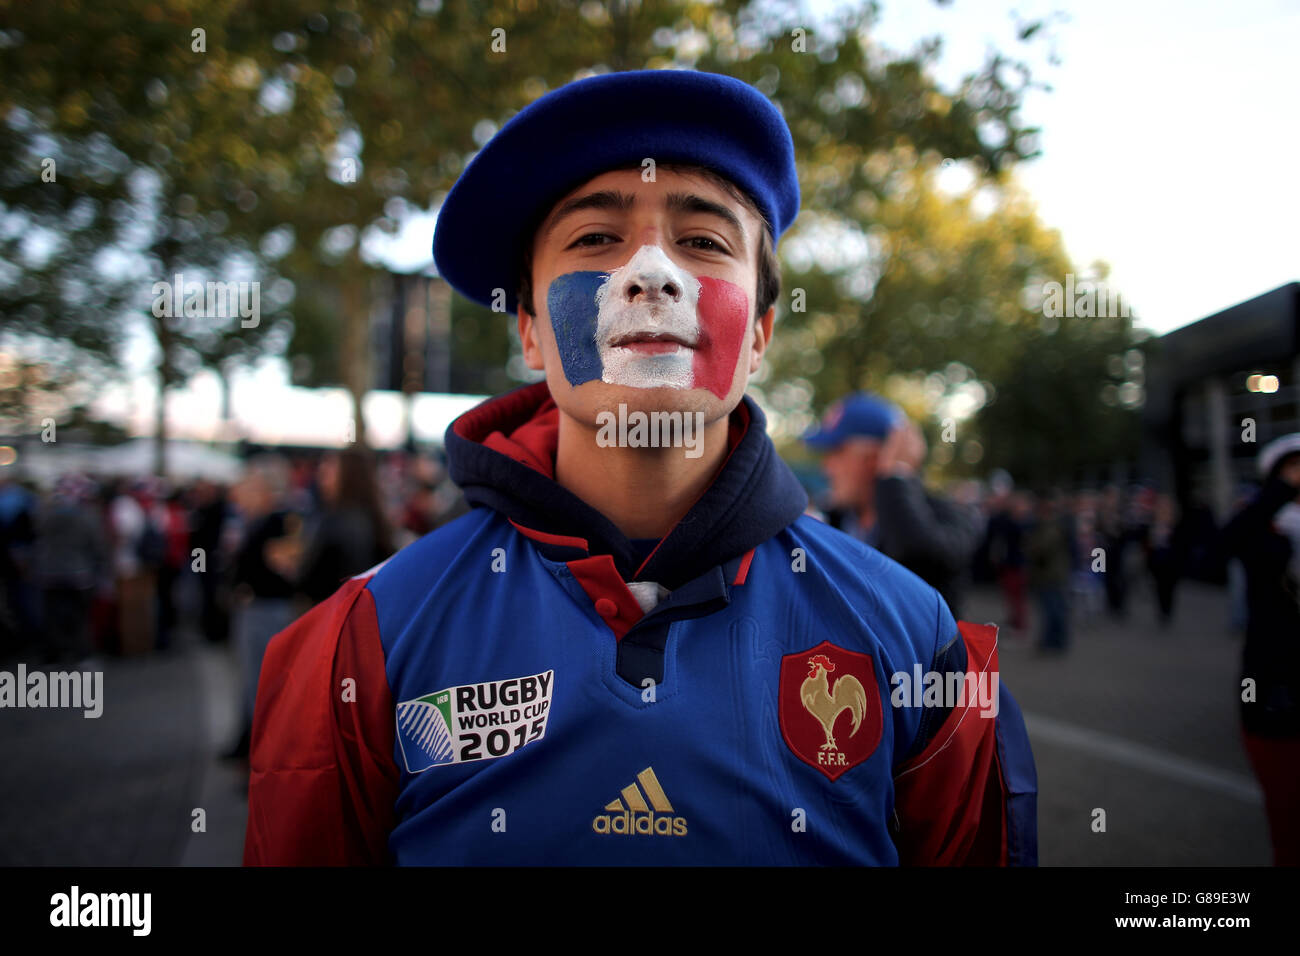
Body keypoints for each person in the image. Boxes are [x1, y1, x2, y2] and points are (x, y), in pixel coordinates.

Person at [244, 69, 1036, 866]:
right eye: (595, 239)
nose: (652, 272)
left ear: (761, 333)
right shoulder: (361, 641)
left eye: (703, 241)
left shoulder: (919, 639)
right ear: (529, 331)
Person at [803, 392, 979, 618]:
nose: (826, 469)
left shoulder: (948, 516)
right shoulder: (830, 523)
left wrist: (896, 474)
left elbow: (920, 559)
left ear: (878, 457)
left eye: (836, 452)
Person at [1223, 433, 1300, 865]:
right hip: (1277, 684)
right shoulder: (1264, 527)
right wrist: (1277, 496)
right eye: (1293, 469)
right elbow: (1219, 549)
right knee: (1288, 811)